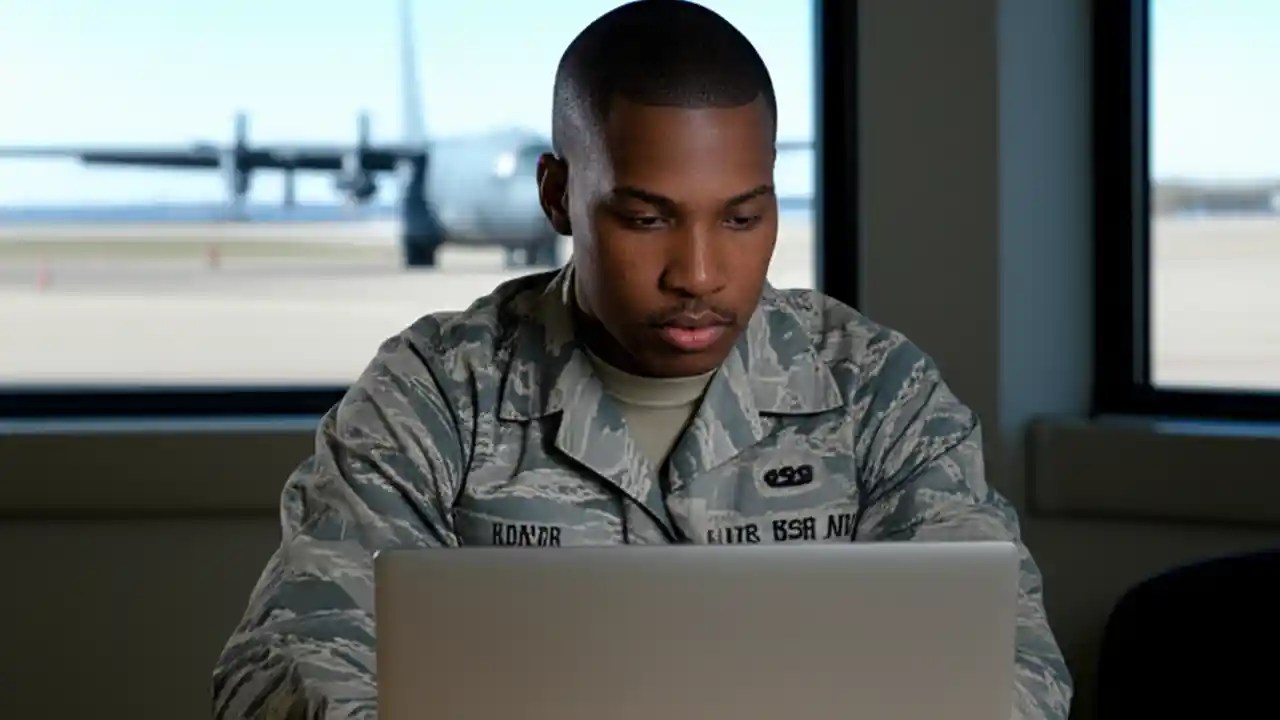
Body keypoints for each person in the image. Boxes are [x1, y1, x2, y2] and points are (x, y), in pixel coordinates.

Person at [211, 1, 1073, 718]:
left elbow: (1012, 670)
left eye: (741, 219)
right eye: (646, 218)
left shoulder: (879, 394)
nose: (697, 274)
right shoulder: (434, 396)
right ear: (559, 196)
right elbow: (288, 664)